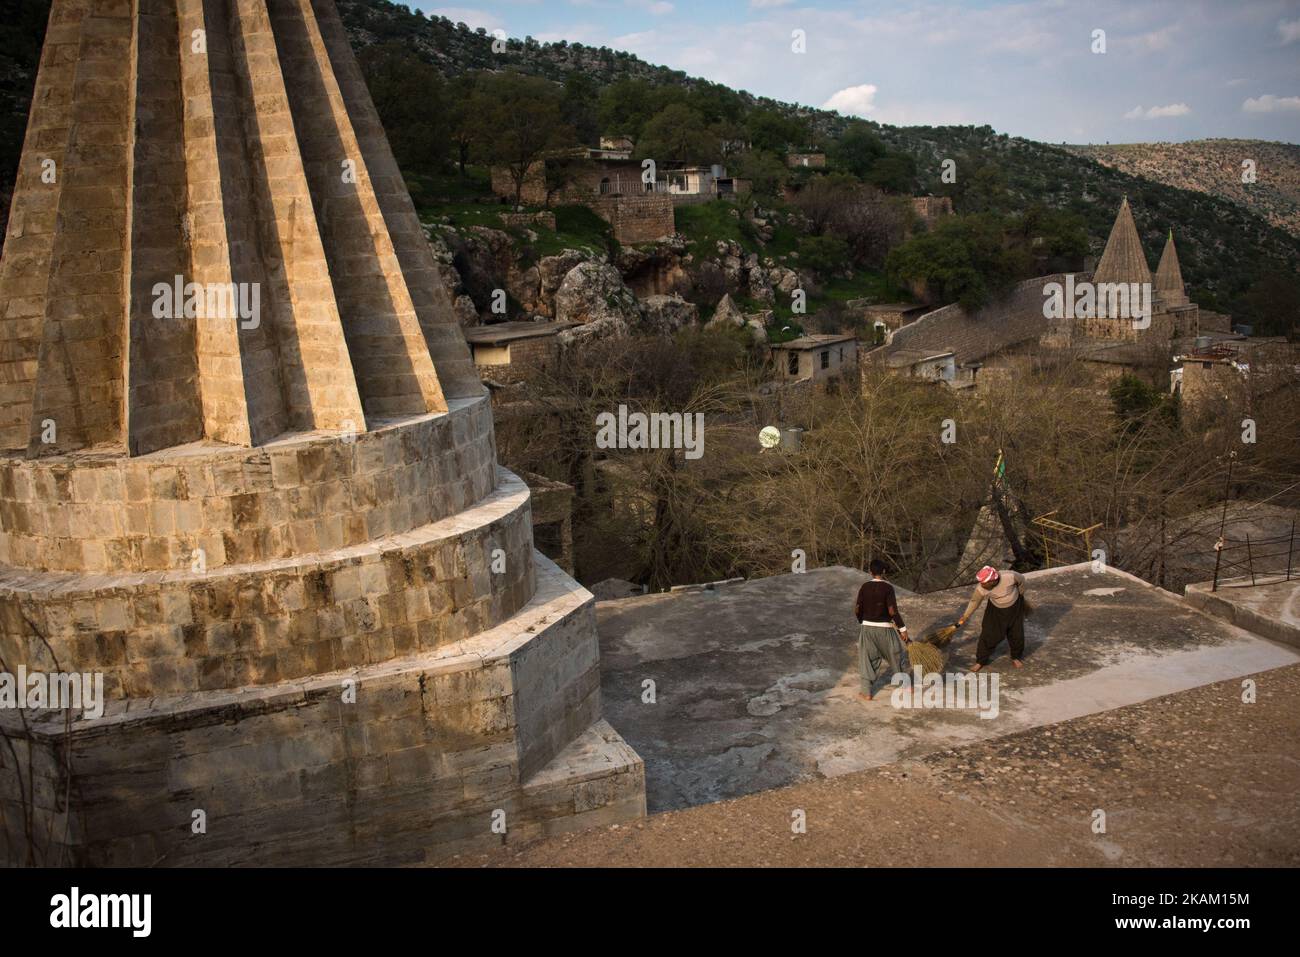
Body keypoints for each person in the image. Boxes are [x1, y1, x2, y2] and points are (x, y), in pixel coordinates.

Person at [853, 559, 910, 701]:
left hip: (867, 628)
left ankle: (866, 692)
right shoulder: (888, 588)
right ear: (883, 572)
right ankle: (905, 686)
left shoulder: (864, 587)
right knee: (896, 656)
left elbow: (857, 608)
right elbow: (892, 611)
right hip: (885, 629)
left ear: (870, 572)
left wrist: (862, 621)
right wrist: (902, 628)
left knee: (867, 660)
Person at [954, 565, 1027, 672]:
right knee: (989, 634)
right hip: (995, 611)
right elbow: (974, 601)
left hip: (1015, 608)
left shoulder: (1010, 576)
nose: (982, 585)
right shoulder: (981, 588)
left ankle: (1016, 657)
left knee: (1017, 634)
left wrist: (1020, 594)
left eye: (984, 583)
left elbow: (1022, 581)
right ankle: (980, 661)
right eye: (981, 582)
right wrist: (966, 615)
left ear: (993, 580)